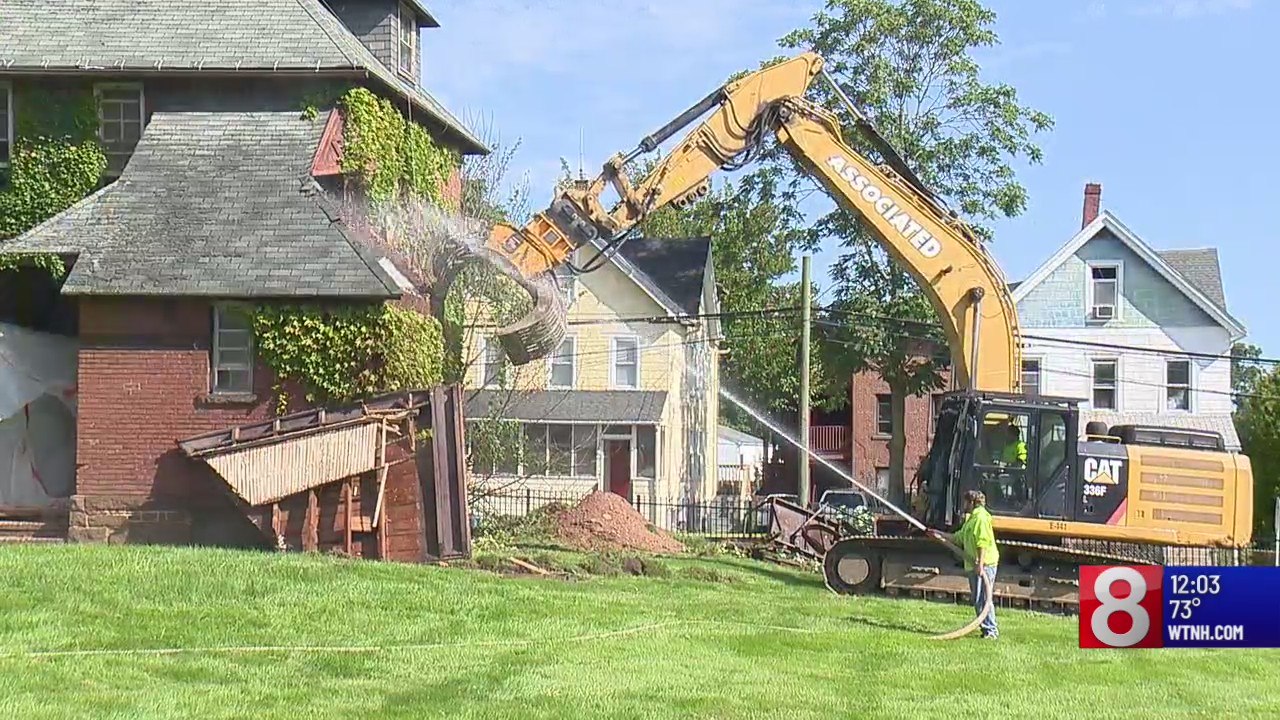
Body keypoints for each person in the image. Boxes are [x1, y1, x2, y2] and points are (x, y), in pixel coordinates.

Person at [939, 490, 1000, 639]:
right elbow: (958, 538)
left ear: (972, 502)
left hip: (984, 565)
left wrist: (980, 564)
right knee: (978, 599)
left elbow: (982, 542)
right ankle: (986, 630)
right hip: (975, 565)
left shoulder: (980, 518)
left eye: (965, 502)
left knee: (984, 599)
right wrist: (939, 534)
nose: (964, 505)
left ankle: (991, 631)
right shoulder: (972, 519)